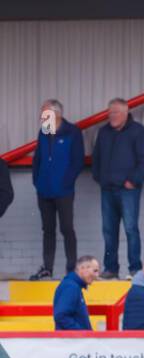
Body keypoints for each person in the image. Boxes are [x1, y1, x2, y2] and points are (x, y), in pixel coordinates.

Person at [92, 98, 144, 281]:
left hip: (128, 190)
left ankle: (134, 268)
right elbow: (96, 158)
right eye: (110, 112)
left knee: (130, 228)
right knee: (109, 230)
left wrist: (133, 181)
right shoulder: (103, 132)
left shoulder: (138, 132)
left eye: (116, 112)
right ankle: (110, 269)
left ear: (126, 113)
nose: (112, 116)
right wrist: (99, 178)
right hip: (107, 189)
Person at [30, 99, 84, 281]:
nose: (41, 116)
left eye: (45, 113)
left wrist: (66, 183)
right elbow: (38, 158)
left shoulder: (72, 132)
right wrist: (36, 181)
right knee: (48, 230)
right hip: (44, 190)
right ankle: (48, 268)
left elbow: (77, 162)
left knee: (67, 228)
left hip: (64, 191)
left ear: (57, 114)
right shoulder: (44, 132)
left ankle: (71, 269)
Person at [53, 255, 99, 330]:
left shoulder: (72, 285)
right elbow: (60, 315)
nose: (97, 275)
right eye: (95, 271)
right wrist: (82, 334)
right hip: (72, 341)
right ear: (82, 268)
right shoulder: (71, 287)